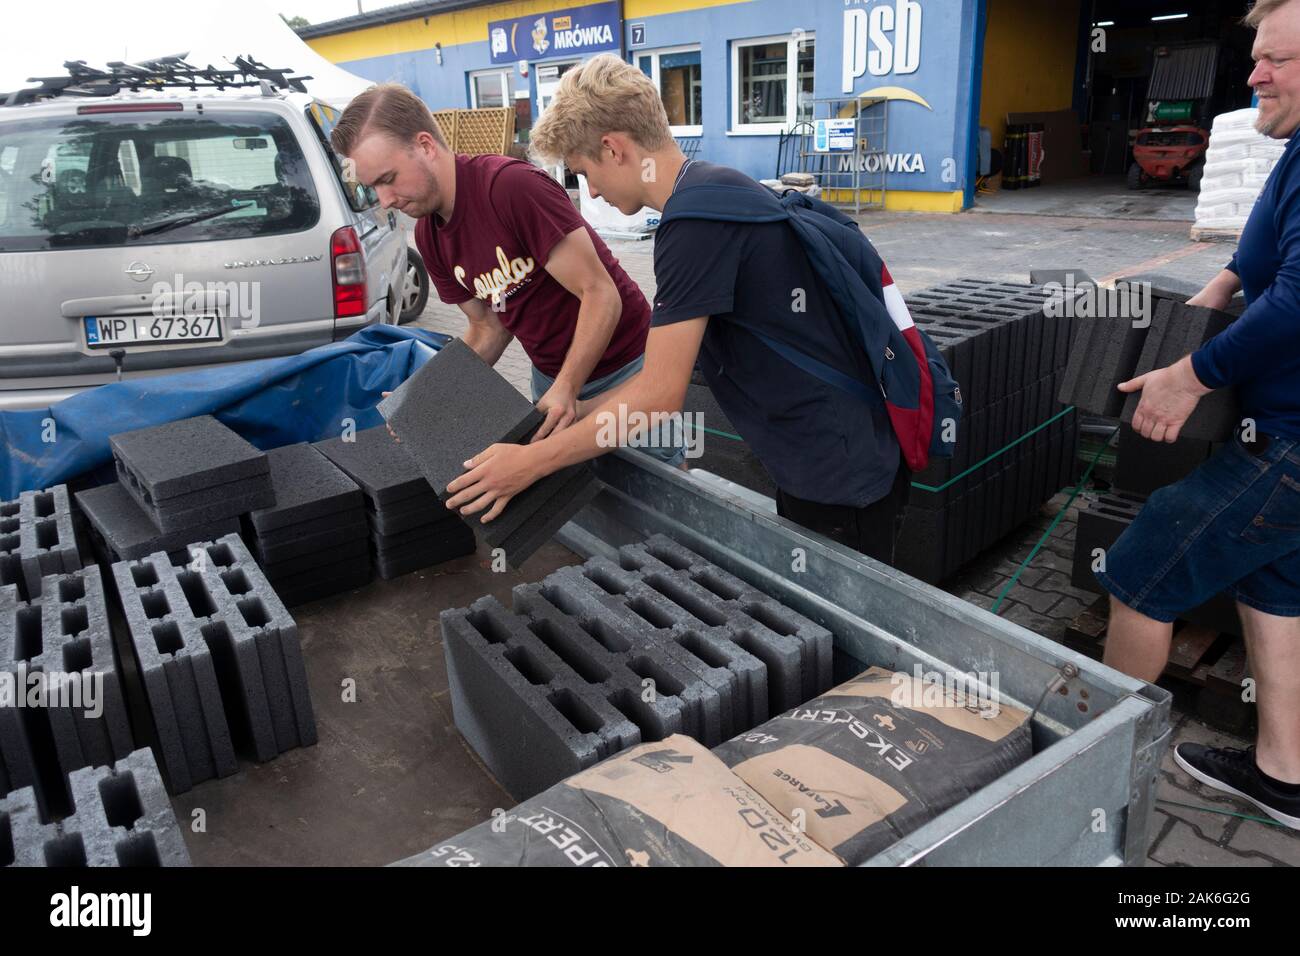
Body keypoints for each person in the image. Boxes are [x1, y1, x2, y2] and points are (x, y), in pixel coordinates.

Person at [442, 54, 912, 563]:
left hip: (838, 469)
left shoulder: (692, 228)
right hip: (837, 444)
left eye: (584, 173)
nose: (591, 191)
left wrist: (531, 462)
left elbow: (657, 399)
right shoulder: (714, 184)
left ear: (613, 148)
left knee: (840, 627)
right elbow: (661, 379)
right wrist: (575, 410)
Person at [1101, 0, 1300, 830]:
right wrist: (1213, 296)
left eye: (1278, 60)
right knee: (1273, 581)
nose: (1254, 74)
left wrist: (1191, 372)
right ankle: (1285, 775)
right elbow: (1263, 257)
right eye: (1258, 57)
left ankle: (1100, 774)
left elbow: (1296, 301)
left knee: (1143, 567)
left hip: (1288, 445)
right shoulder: (1293, 154)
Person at [331, 82, 681, 462]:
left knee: (662, 503)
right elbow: (488, 328)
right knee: (575, 507)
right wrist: (426, 394)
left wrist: (567, 387)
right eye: (373, 188)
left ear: (426, 146)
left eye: (388, 179)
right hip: (552, 381)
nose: (385, 201)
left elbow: (600, 293)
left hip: (626, 372)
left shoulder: (510, 188)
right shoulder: (429, 237)